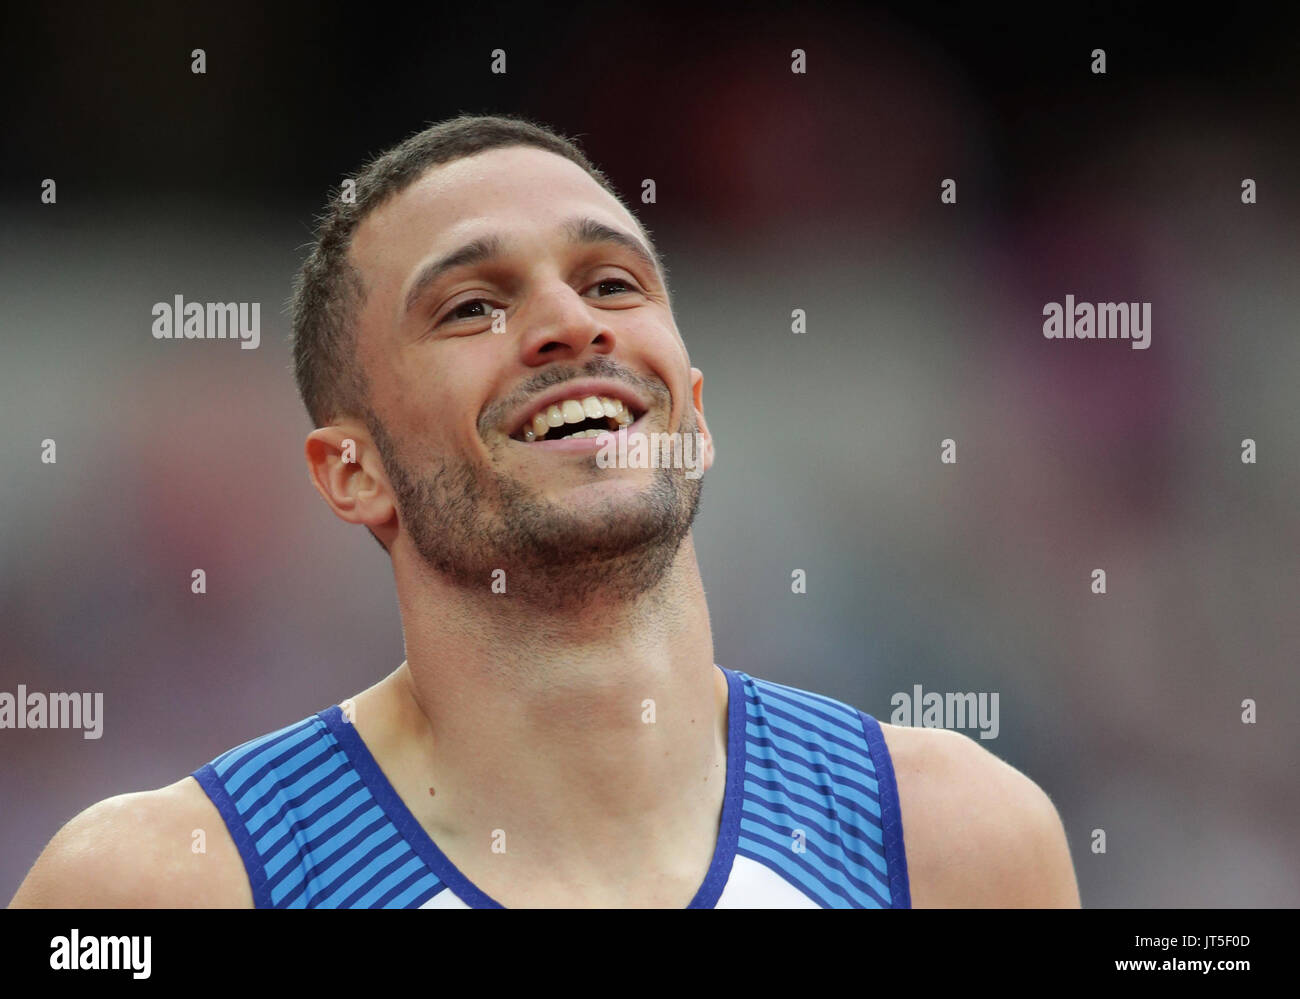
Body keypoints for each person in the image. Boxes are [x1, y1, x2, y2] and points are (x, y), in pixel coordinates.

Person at [10, 114, 1080, 908]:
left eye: (612, 283)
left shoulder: (953, 840)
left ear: (693, 415)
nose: (570, 324)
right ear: (353, 472)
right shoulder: (160, 891)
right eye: (473, 305)